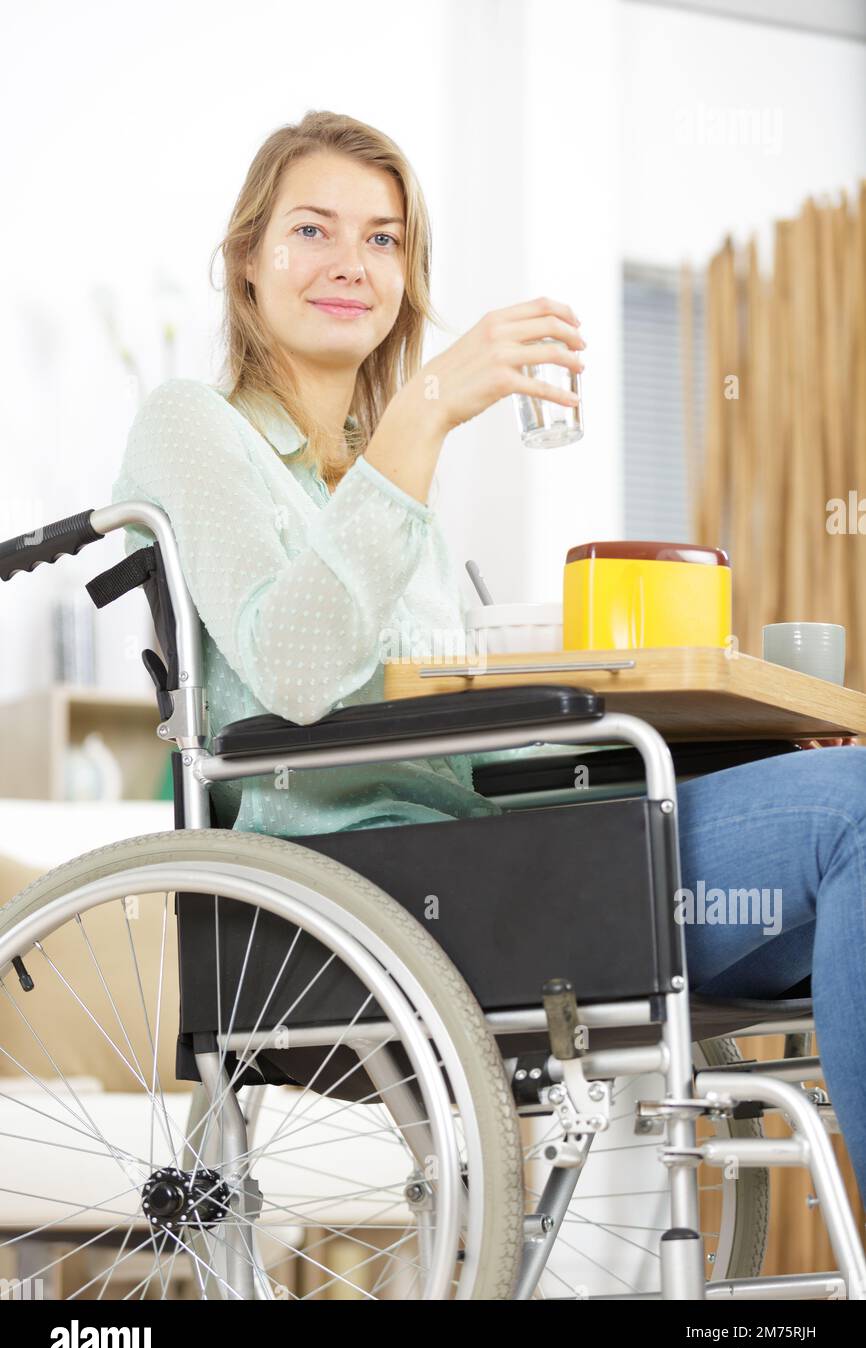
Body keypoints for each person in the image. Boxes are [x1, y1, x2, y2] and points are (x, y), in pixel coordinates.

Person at [112, 110, 866, 1214]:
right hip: (369, 899)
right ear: (246, 265)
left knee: (831, 799)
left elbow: (472, 755)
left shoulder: (392, 499)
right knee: (848, 813)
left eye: (383, 240)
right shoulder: (194, 427)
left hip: (492, 864)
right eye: (312, 229)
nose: (350, 264)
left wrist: (745, 757)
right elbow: (294, 671)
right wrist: (422, 412)